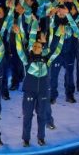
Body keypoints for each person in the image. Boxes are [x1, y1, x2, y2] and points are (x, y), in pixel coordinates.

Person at [14, 19, 64, 147]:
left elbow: (57, 50)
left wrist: (62, 36)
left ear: (42, 48)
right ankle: (26, 139)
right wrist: (17, 35)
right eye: (34, 46)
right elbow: (19, 49)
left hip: (42, 91)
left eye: (39, 46)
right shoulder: (27, 59)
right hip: (29, 91)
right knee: (28, 116)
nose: (36, 48)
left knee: (41, 116)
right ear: (32, 48)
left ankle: (41, 138)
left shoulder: (47, 60)